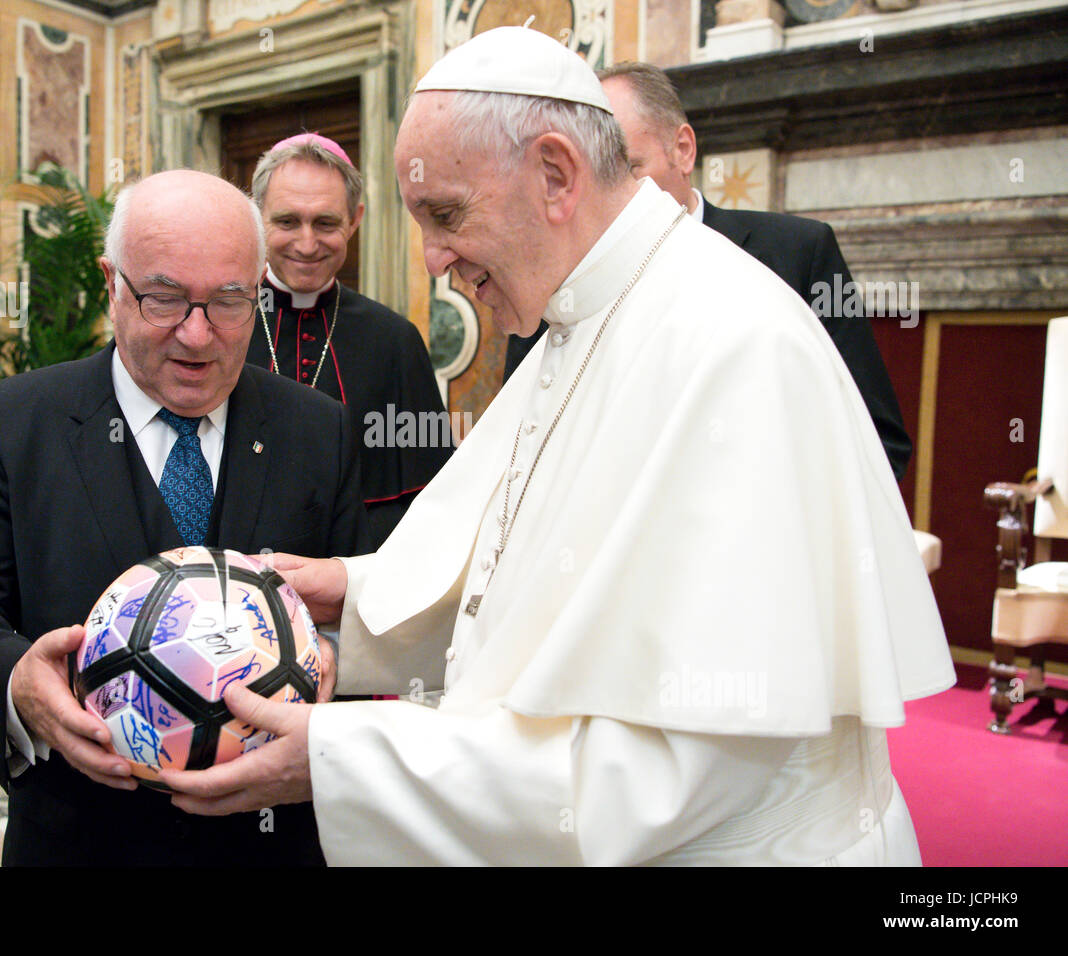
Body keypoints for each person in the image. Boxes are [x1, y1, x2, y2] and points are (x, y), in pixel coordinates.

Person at [159, 28, 955, 866]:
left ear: (555, 175)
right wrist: (345, 594)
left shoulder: (733, 343)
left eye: (445, 214)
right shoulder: (582, 317)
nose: (432, 260)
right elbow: (517, 564)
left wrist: (337, 758)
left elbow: (672, 772)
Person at [0, 170, 369, 866]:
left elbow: (352, 596)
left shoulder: (318, 429)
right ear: (111, 282)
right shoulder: (12, 422)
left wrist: (331, 652)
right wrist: (18, 683)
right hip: (82, 838)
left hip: (272, 844)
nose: (198, 335)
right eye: (164, 298)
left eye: (231, 301)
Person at [502, 62, 913, 481]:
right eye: (591, 181)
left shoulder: (800, 254)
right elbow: (517, 457)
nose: (608, 201)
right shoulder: (555, 288)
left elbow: (879, 444)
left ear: (682, 149)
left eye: (628, 170)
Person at [246, 133, 453, 546]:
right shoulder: (217, 326)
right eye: (287, 222)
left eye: (326, 223)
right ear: (257, 217)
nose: (307, 244)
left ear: (355, 219)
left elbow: (431, 497)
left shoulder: (394, 341)